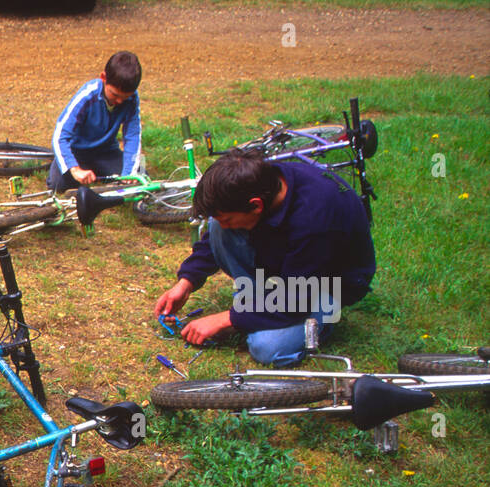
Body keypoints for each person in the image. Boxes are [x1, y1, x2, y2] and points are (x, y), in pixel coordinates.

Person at [153, 151, 376, 367]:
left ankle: (321, 323)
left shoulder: (314, 219)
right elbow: (217, 234)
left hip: (327, 285)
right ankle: (258, 306)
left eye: (229, 219)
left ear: (257, 205)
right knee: (218, 225)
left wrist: (227, 319)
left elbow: (296, 299)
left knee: (267, 347)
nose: (226, 226)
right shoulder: (262, 182)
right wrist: (186, 282)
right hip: (291, 271)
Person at [47, 51, 143, 192]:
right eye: (115, 95)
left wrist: (129, 173)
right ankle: (87, 172)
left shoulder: (132, 99)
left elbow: (133, 136)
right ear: (103, 77)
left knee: (141, 177)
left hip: (106, 153)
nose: (119, 101)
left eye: (125, 97)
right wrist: (74, 169)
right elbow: (59, 136)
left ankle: (101, 174)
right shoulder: (87, 95)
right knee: (57, 185)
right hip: (77, 152)